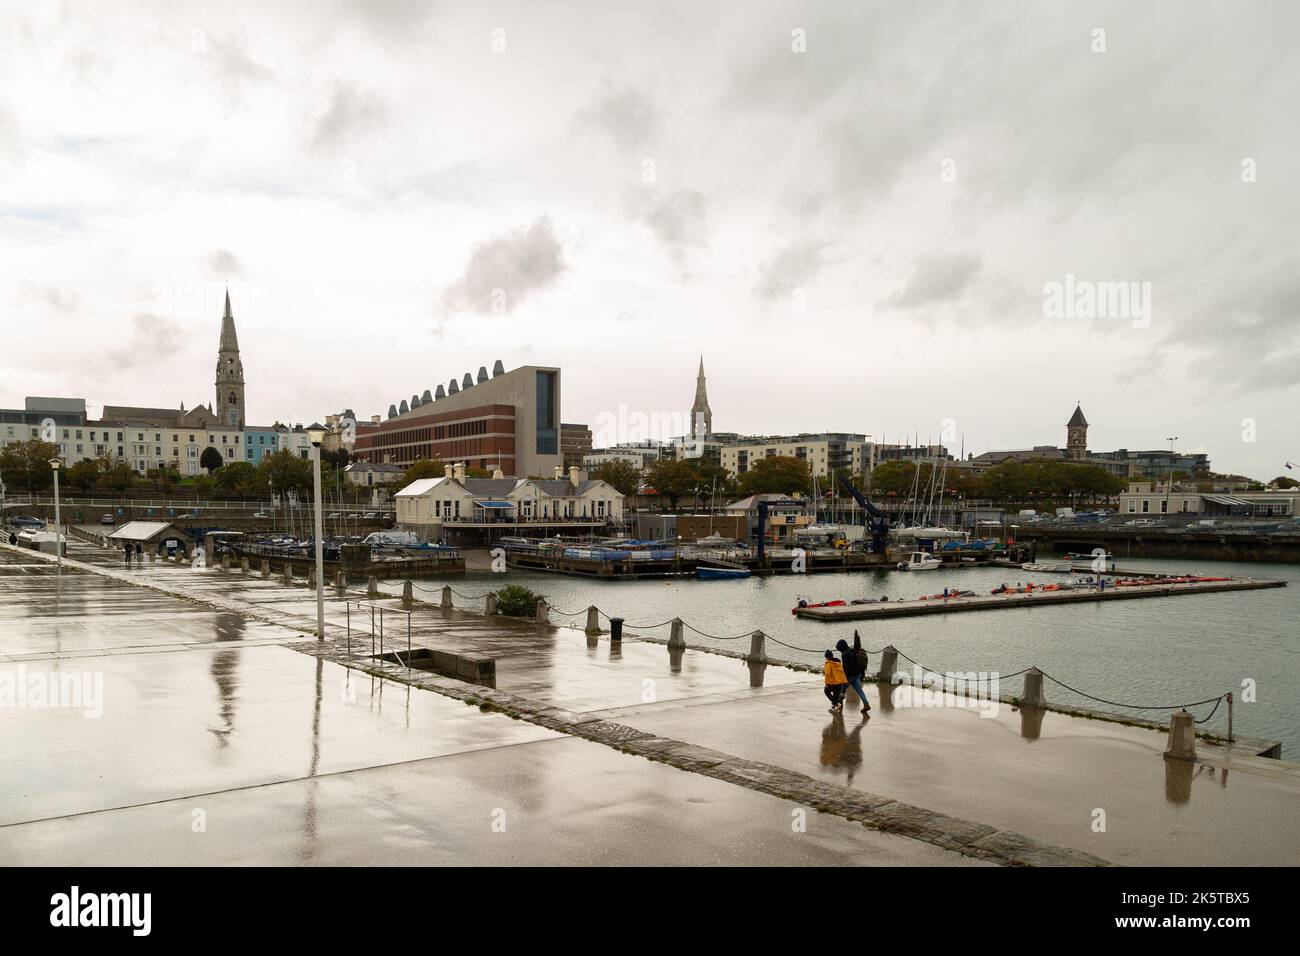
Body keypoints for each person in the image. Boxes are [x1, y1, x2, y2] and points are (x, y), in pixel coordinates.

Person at [836, 630, 873, 715]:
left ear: (841, 647)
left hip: (850, 676)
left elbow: (846, 668)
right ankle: (866, 704)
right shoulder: (853, 650)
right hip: (857, 674)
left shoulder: (844, 654)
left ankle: (838, 704)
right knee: (859, 690)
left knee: (842, 689)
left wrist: (844, 679)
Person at [823, 650, 847, 714]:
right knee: (836, 694)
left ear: (827, 657)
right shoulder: (838, 663)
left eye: (826, 657)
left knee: (826, 691)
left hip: (833, 682)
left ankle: (836, 704)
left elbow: (827, 674)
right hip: (840, 681)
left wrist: (826, 683)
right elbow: (841, 672)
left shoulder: (829, 663)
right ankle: (836, 704)